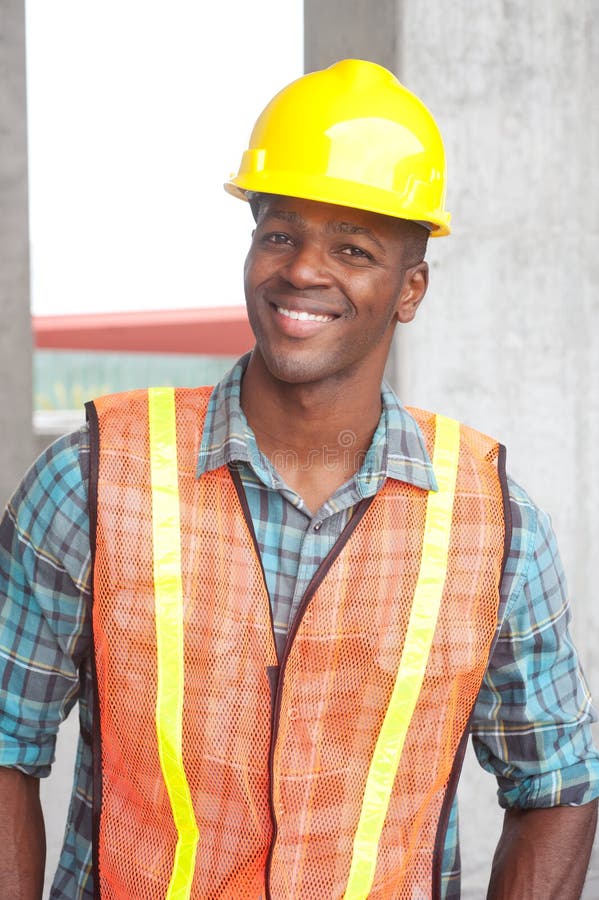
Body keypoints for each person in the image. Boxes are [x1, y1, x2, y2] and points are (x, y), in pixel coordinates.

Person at [0, 58, 597, 900]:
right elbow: (5, 744)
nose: (303, 271)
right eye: (280, 234)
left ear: (409, 290)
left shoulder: (491, 524)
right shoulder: (92, 480)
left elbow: (557, 787)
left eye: (352, 248)